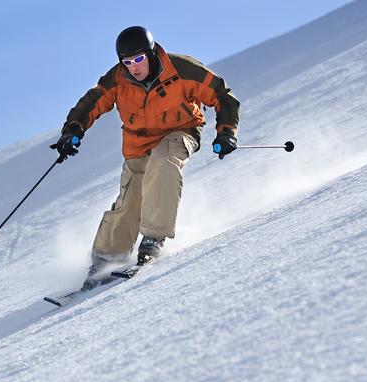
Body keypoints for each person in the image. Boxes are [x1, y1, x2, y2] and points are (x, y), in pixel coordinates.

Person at [52, 26, 240, 290]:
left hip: (180, 131)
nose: (133, 67)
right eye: (127, 62)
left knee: (164, 164)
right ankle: (107, 257)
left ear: (151, 53)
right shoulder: (118, 79)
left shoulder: (181, 69)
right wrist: (73, 130)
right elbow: (91, 102)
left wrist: (226, 132)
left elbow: (221, 95)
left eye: (138, 59)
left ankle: (153, 238)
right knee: (130, 202)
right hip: (138, 145)